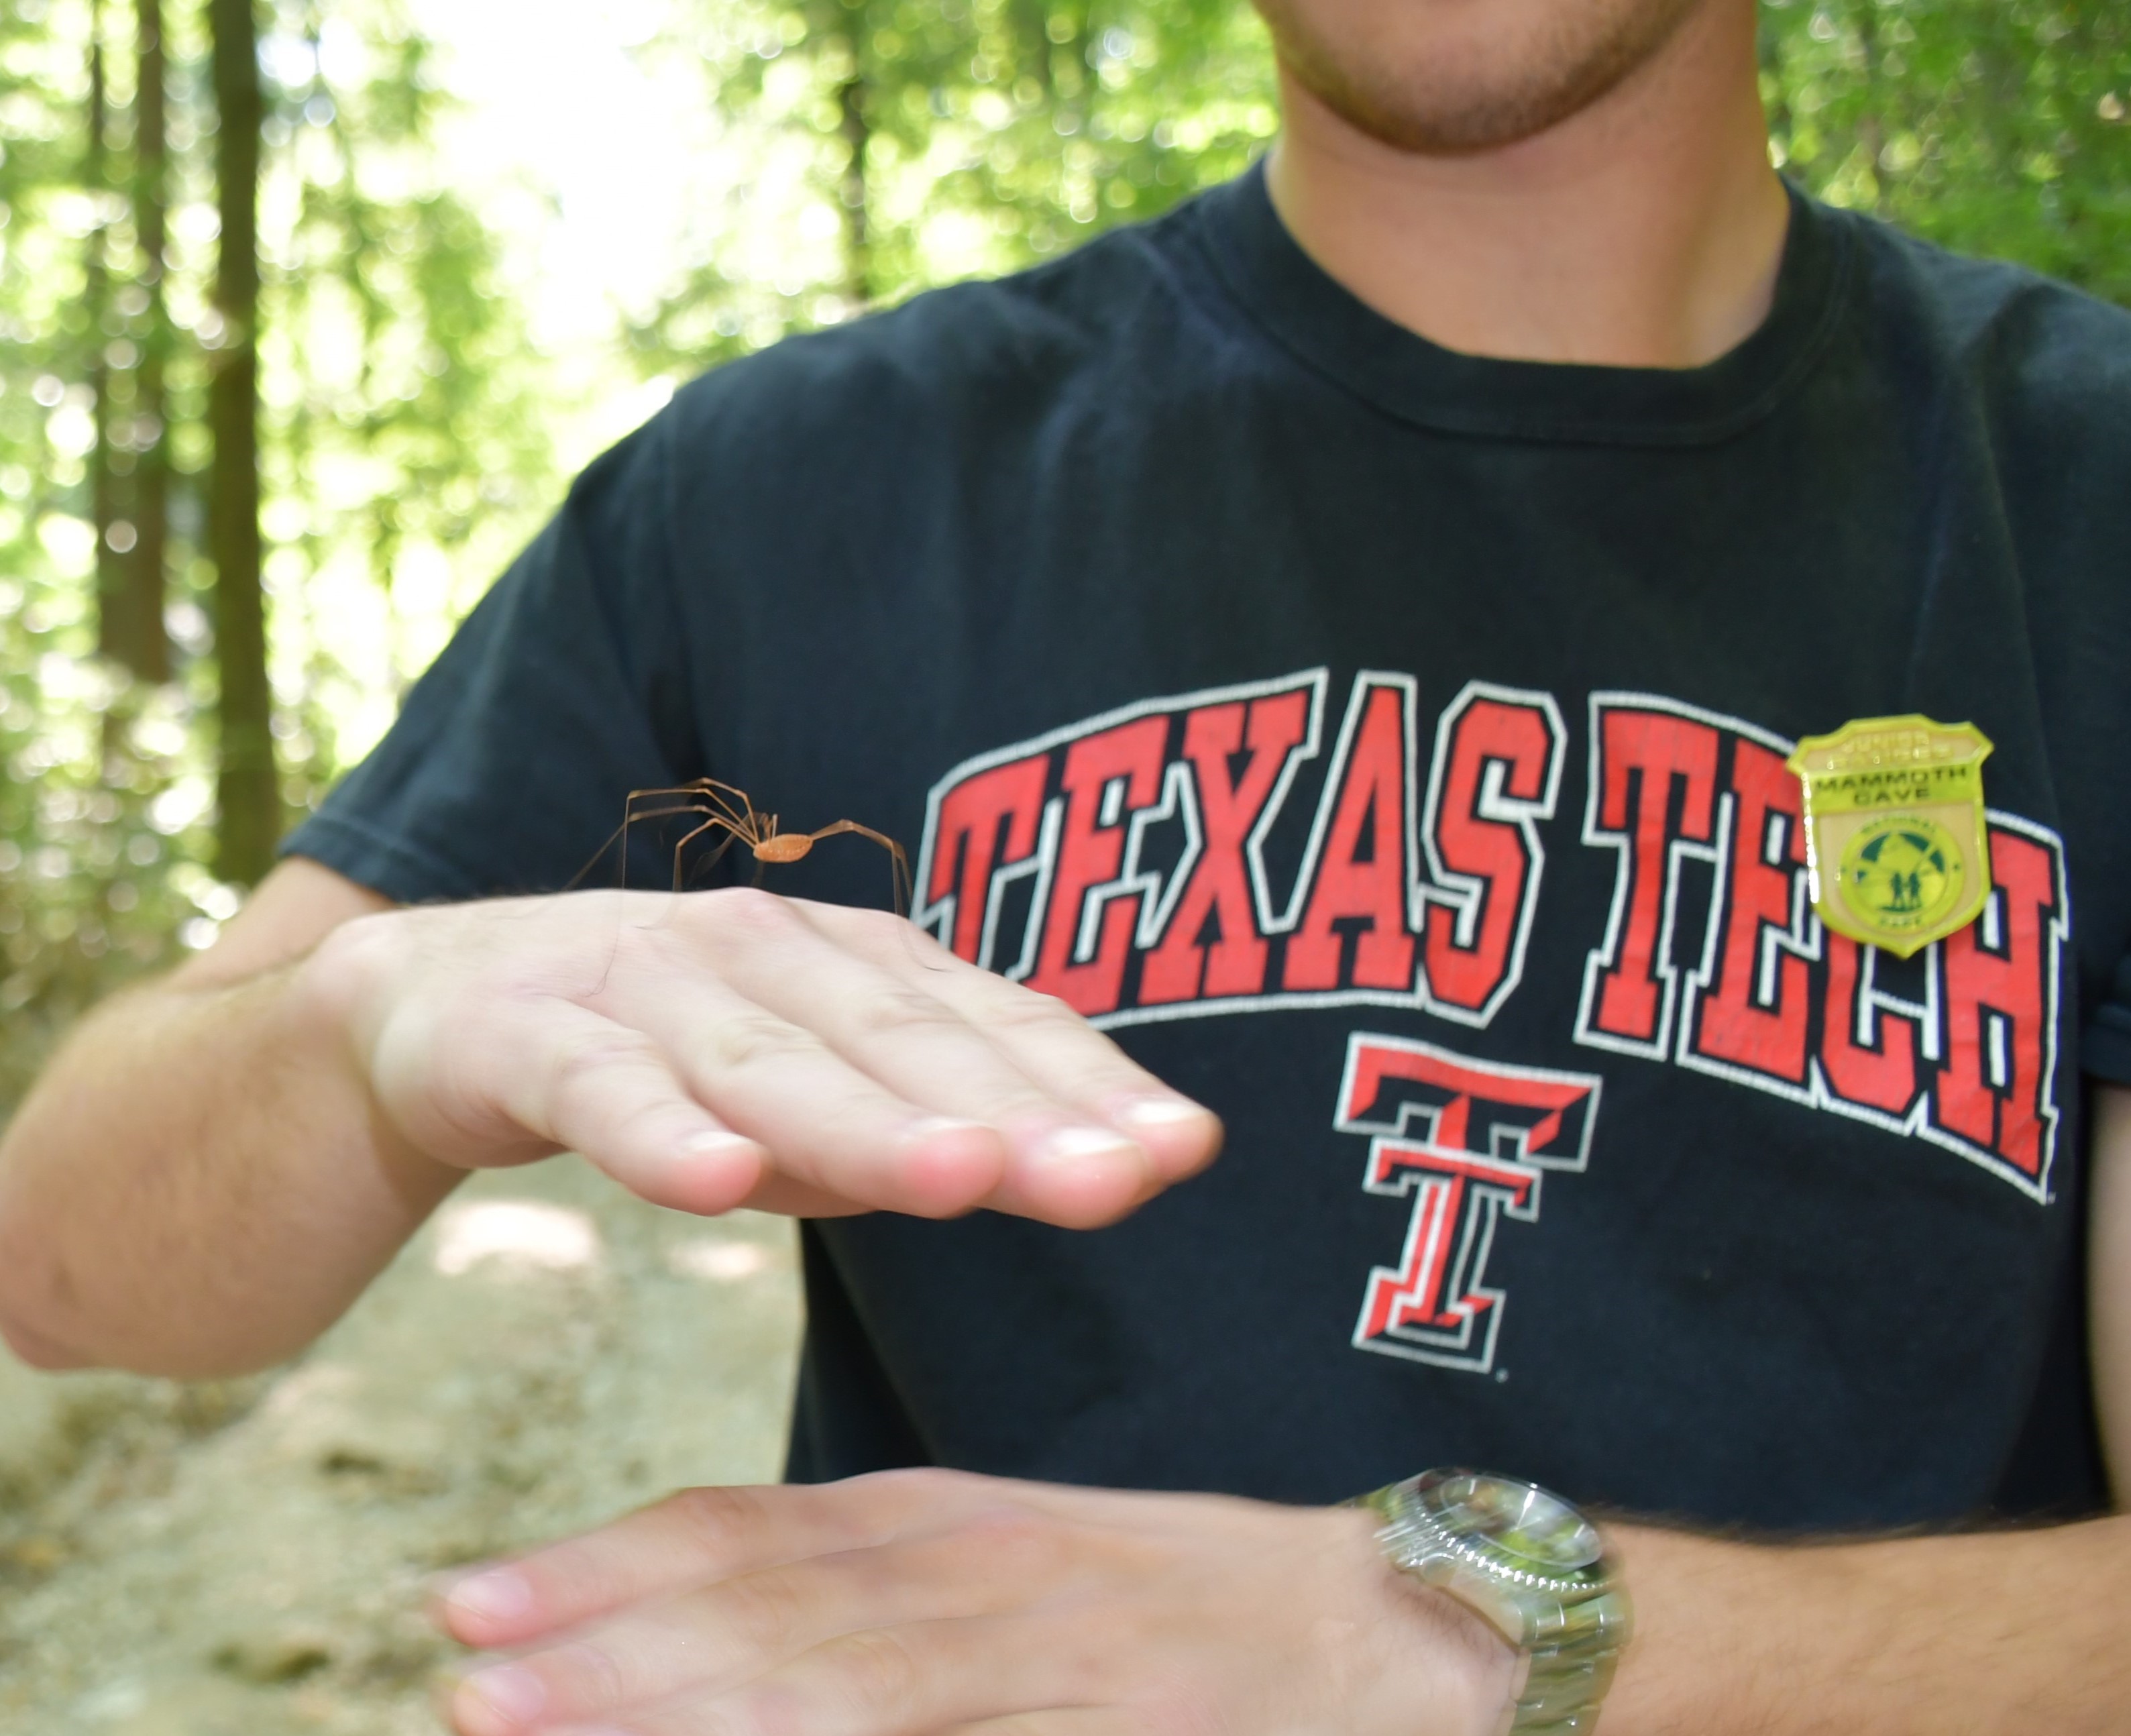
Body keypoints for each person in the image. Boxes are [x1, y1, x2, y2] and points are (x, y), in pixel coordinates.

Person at [4, 0, 2130, 1729]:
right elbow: (65, 1258)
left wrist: (1456, 1642)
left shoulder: (2080, 495)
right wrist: (376, 1021)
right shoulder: (794, 490)